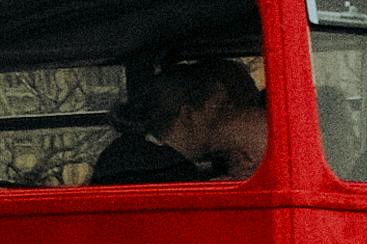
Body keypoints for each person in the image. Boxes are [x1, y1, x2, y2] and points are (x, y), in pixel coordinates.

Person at [91, 44, 269, 185]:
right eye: (220, 108)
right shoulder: (159, 170)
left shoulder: (134, 151)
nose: (230, 117)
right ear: (189, 114)